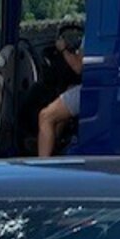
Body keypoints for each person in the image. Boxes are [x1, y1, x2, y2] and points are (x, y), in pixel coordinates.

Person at [36, 26, 84, 157]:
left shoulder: (90, 38)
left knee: (45, 116)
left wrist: (63, 49)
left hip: (91, 89)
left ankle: (42, 165)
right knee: (66, 93)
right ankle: (53, 145)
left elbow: (78, 67)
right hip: (96, 86)